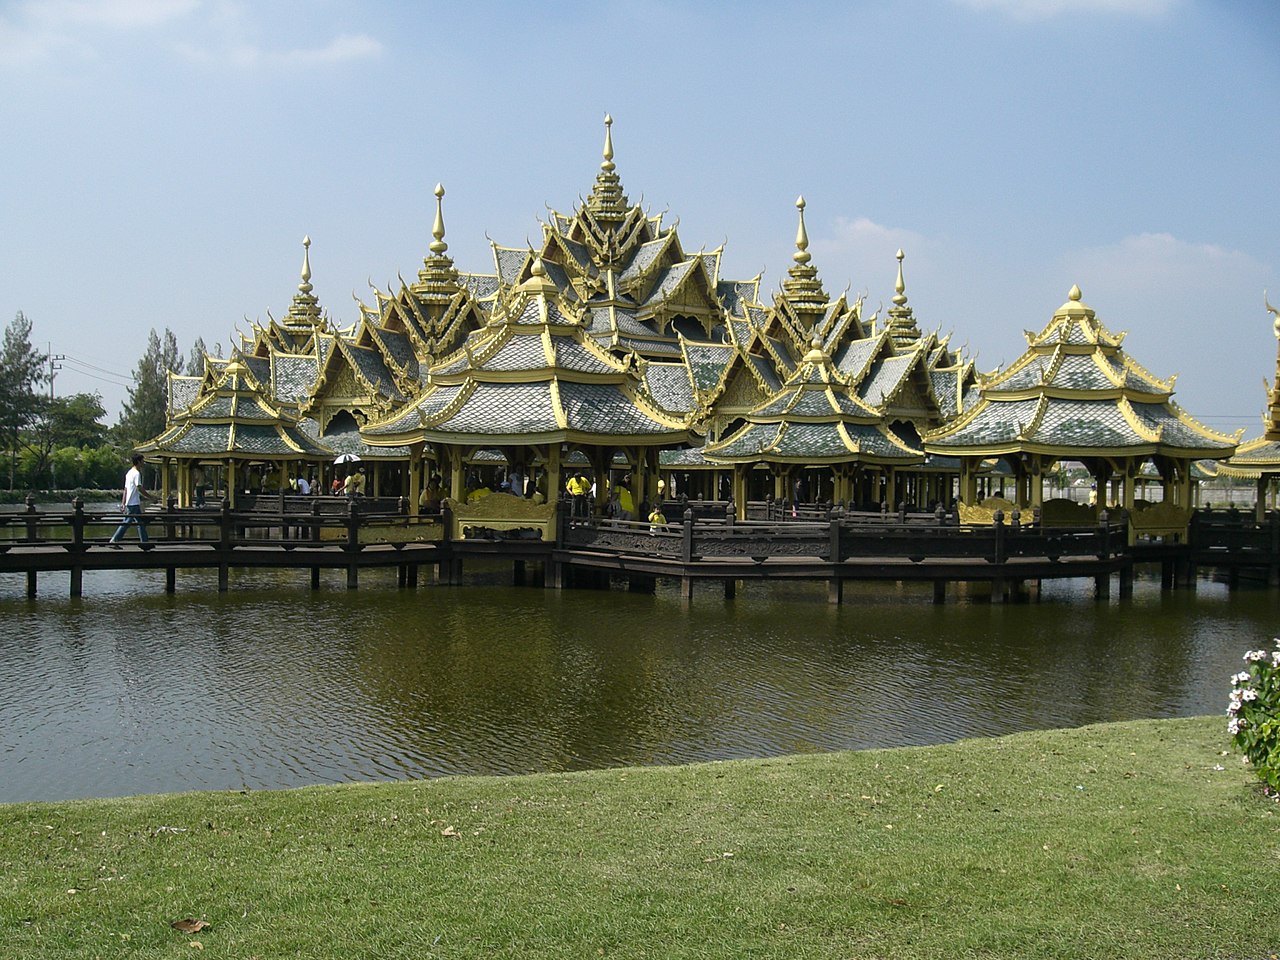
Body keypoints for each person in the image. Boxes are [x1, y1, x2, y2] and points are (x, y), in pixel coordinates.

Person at [109, 454, 154, 547]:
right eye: (142, 461)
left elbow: (125, 489)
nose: (143, 463)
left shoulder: (129, 473)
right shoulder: (136, 473)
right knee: (127, 523)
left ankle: (145, 543)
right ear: (138, 462)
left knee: (139, 523)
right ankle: (114, 540)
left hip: (130, 502)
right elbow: (139, 487)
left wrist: (123, 503)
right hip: (133, 503)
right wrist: (150, 497)